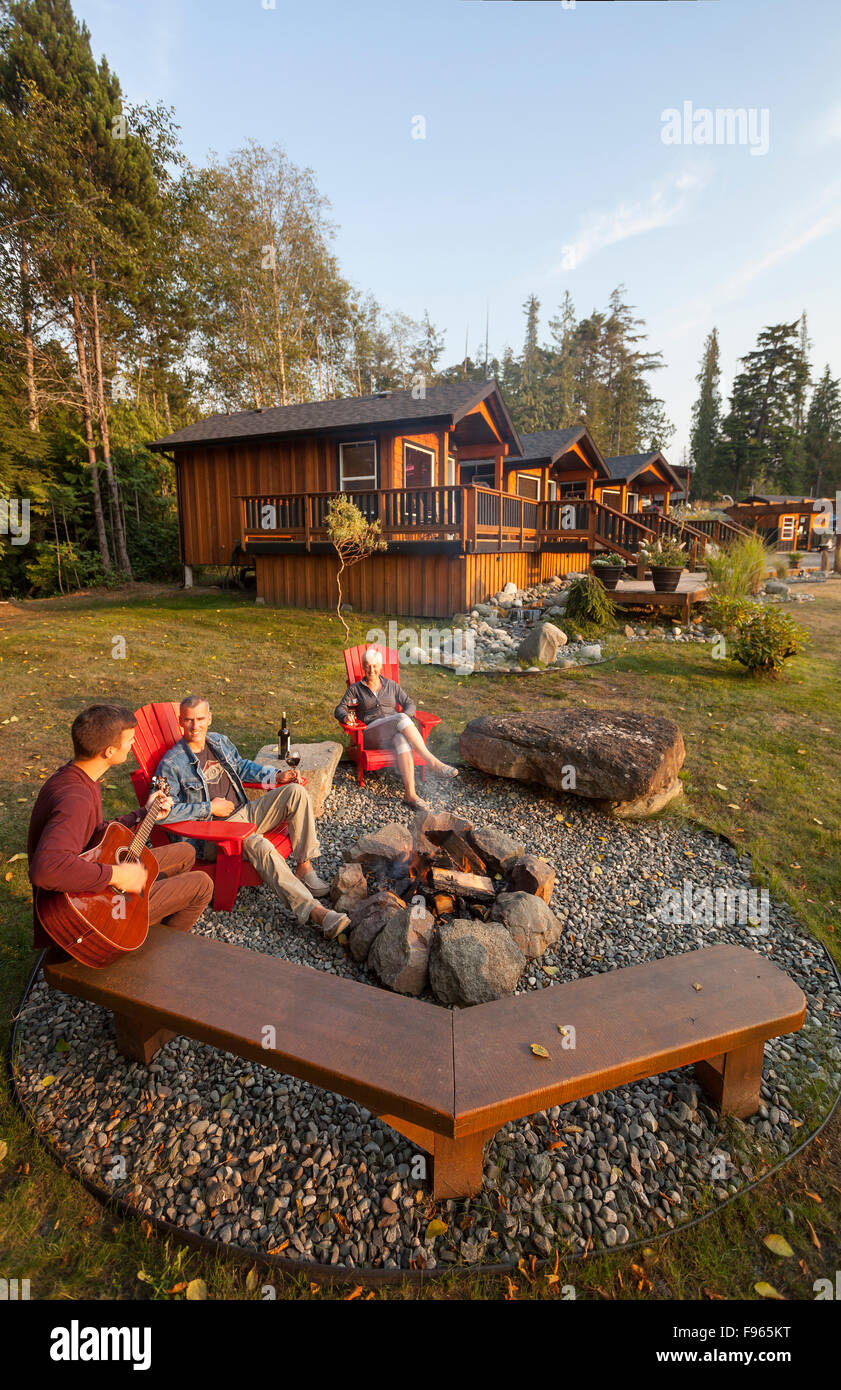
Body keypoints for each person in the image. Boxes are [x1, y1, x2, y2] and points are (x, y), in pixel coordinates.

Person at [154, 696, 350, 940]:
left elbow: (243, 767)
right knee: (259, 844)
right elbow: (161, 814)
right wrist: (209, 807)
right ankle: (316, 912)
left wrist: (276, 776)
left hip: (244, 813)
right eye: (189, 720)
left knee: (296, 793)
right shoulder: (172, 765)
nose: (195, 726)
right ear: (180, 721)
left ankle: (304, 867)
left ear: (209, 718)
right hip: (214, 835)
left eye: (201, 719)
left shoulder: (219, 742)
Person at [28, 703, 213, 947]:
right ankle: (143, 951)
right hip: (88, 912)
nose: (133, 744)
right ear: (109, 751)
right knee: (202, 884)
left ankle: (134, 926)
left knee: (185, 852)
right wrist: (117, 875)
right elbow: (46, 869)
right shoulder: (76, 799)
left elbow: (95, 834)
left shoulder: (78, 776)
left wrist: (144, 814)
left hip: (90, 873)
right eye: (129, 740)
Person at [334, 647, 458, 809]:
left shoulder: (391, 686)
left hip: (392, 732)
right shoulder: (355, 689)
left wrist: (406, 716)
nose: (371, 670)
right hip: (371, 734)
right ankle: (433, 762)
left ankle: (410, 794)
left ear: (380, 667)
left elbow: (410, 704)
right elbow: (339, 709)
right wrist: (346, 716)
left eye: (375, 666)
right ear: (363, 667)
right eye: (368, 666)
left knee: (401, 739)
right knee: (400, 718)